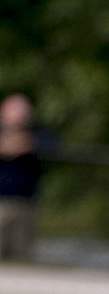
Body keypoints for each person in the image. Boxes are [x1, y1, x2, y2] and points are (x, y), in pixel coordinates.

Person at [0, 93, 45, 261]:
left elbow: (40, 144)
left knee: (21, 256)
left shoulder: (38, 133)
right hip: (1, 202)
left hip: (26, 203)